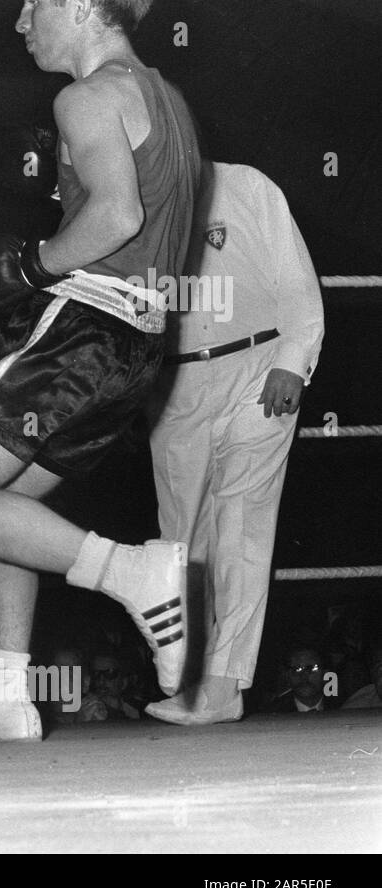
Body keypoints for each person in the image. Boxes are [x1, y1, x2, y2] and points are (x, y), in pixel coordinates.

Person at [0, 0, 201, 744]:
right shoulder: (165, 97)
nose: (19, 22)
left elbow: (117, 216)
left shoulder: (86, 95)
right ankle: (6, 695)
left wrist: (33, 266)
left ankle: (130, 571)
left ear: (78, 5)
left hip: (78, 328)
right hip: (136, 350)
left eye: (33, 5)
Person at [145, 162, 324, 725]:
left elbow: (297, 282)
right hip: (172, 384)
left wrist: (292, 362)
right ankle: (194, 681)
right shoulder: (128, 199)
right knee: (182, 540)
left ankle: (223, 684)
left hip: (257, 368)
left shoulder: (247, 186)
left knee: (242, 527)